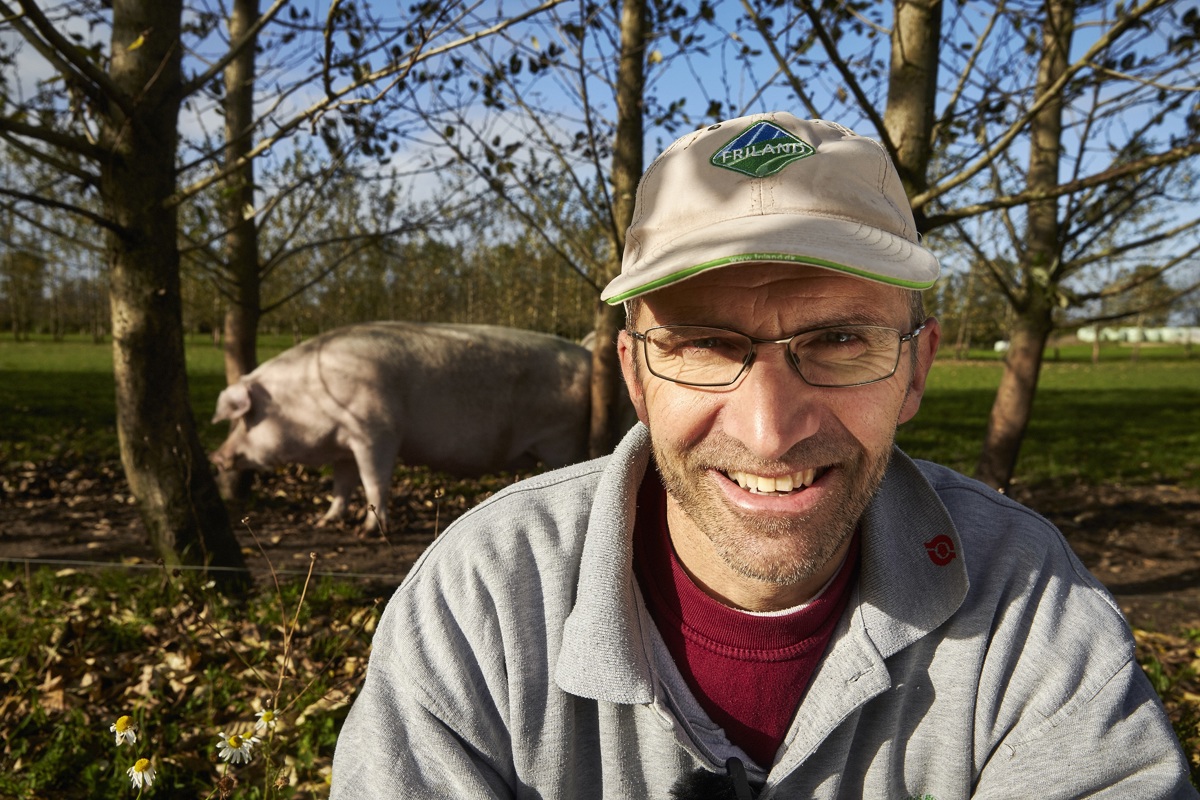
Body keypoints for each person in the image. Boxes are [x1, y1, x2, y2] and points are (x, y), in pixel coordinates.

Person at [330, 113, 1195, 798]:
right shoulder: (483, 602)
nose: (770, 430)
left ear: (917, 369)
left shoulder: (1026, 603)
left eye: (841, 339)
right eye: (704, 345)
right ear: (636, 374)